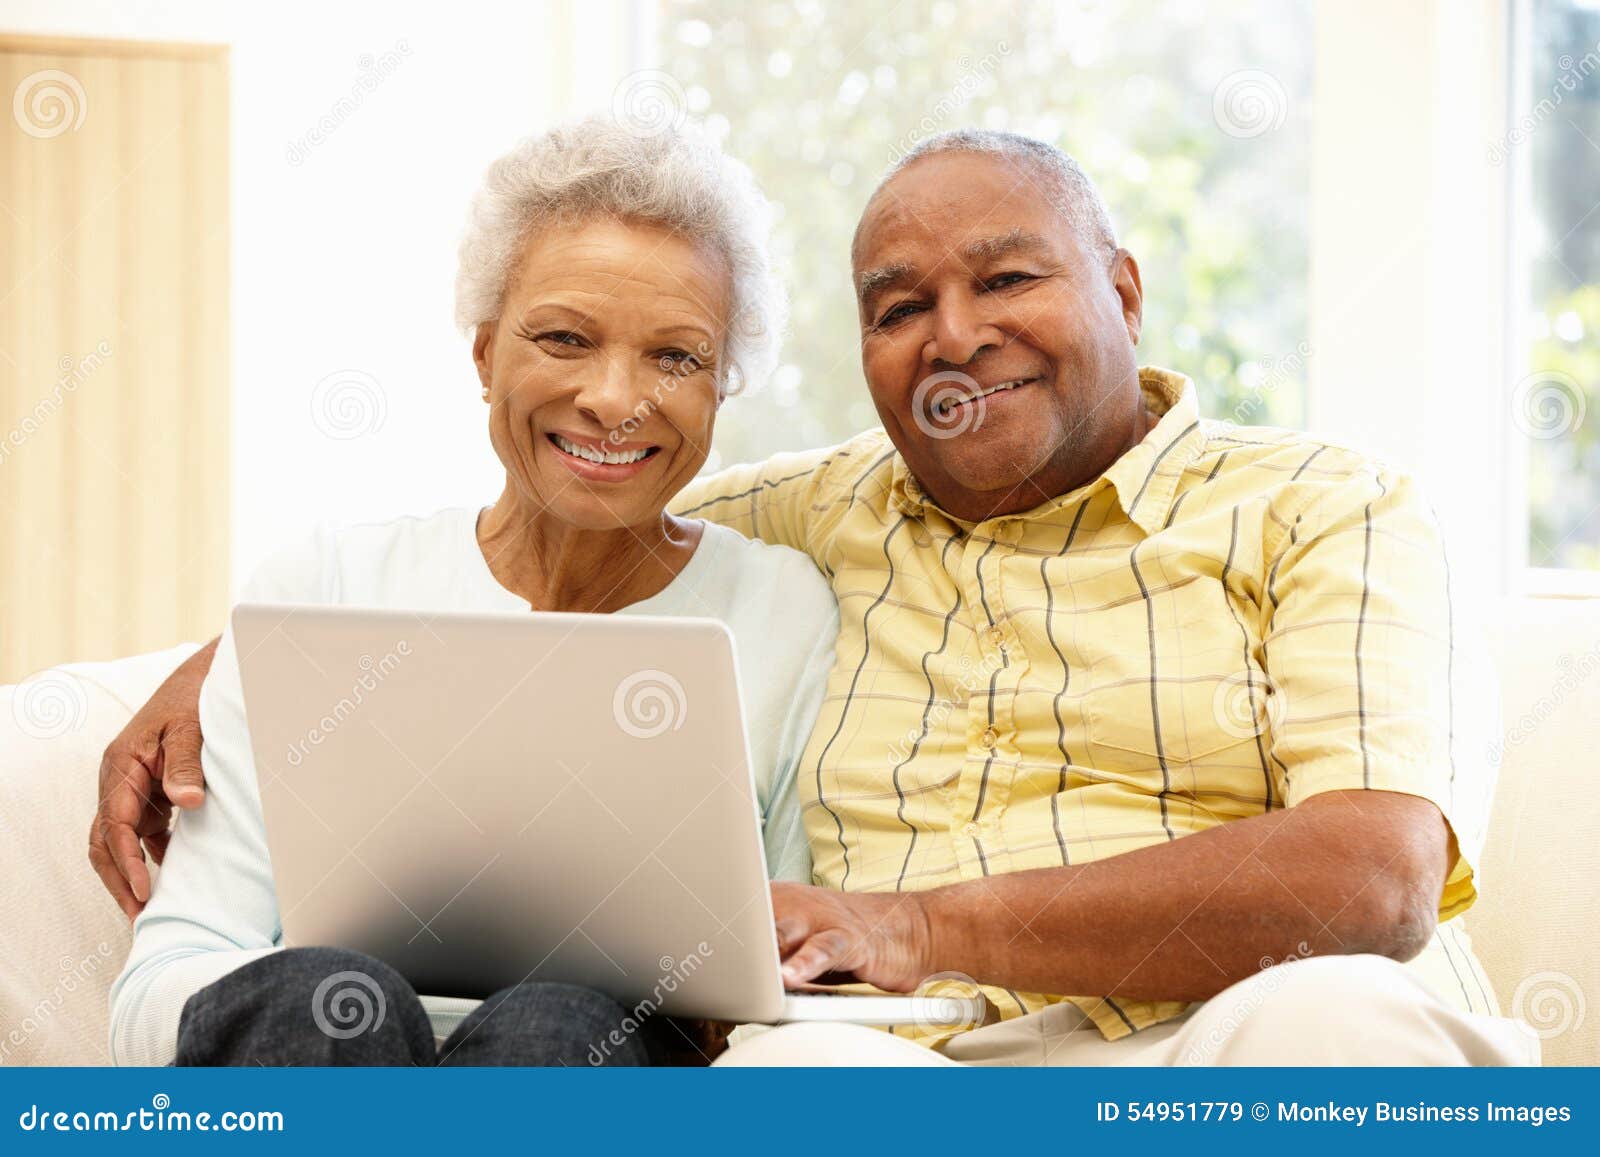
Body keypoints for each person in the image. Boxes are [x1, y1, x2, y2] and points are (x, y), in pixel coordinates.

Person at [96, 128, 1532, 1066]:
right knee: (780, 1069)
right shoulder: (808, 523)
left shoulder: (1321, 503)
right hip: (919, 1046)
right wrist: (238, 660)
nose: (955, 334)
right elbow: (576, 517)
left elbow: (1378, 877)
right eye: (900, 305)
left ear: (1127, 288)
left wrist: (922, 926)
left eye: (1010, 277)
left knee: (1334, 1026)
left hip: (1232, 1022)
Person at [104, 117, 838, 1067]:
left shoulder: (788, 614)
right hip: (316, 1058)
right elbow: (158, 989)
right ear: (486, 354)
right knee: (337, 1002)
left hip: (597, 1070)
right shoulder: (325, 588)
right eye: (565, 338)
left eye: (675, 357)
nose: (617, 399)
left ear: (722, 387)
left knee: (559, 1025)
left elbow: (790, 987)